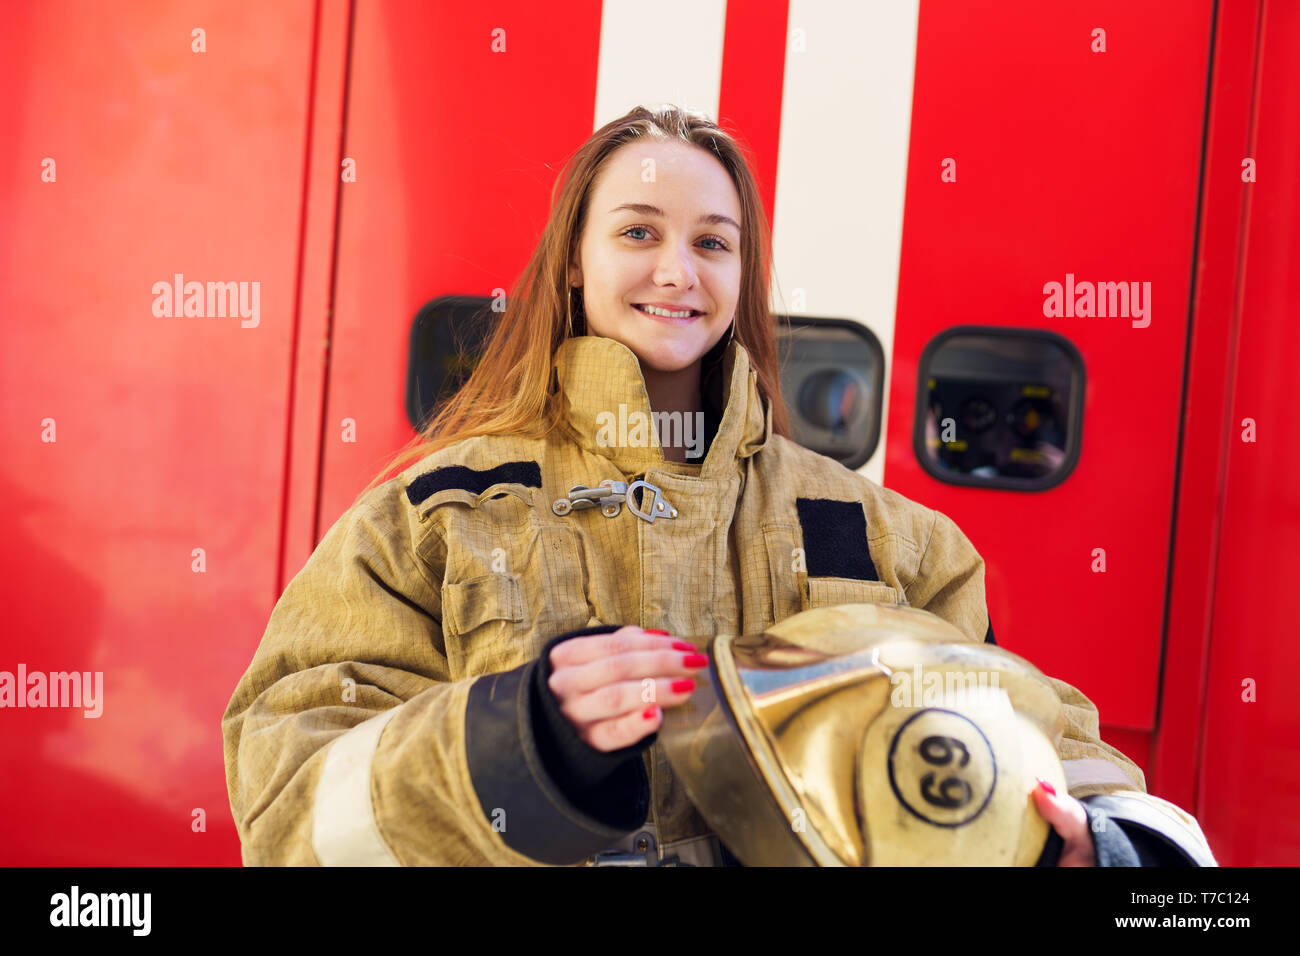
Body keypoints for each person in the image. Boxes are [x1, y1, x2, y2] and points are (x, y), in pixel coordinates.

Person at [221, 105, 1215, 867]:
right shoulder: (434, 514)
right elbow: (285, 800)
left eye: (710, 241)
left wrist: (1099, 840)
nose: (676, 272)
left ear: (741, 272)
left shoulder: (882, 533)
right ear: (574, 261)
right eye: (638, 233)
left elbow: (1036, 732)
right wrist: (518, 744)